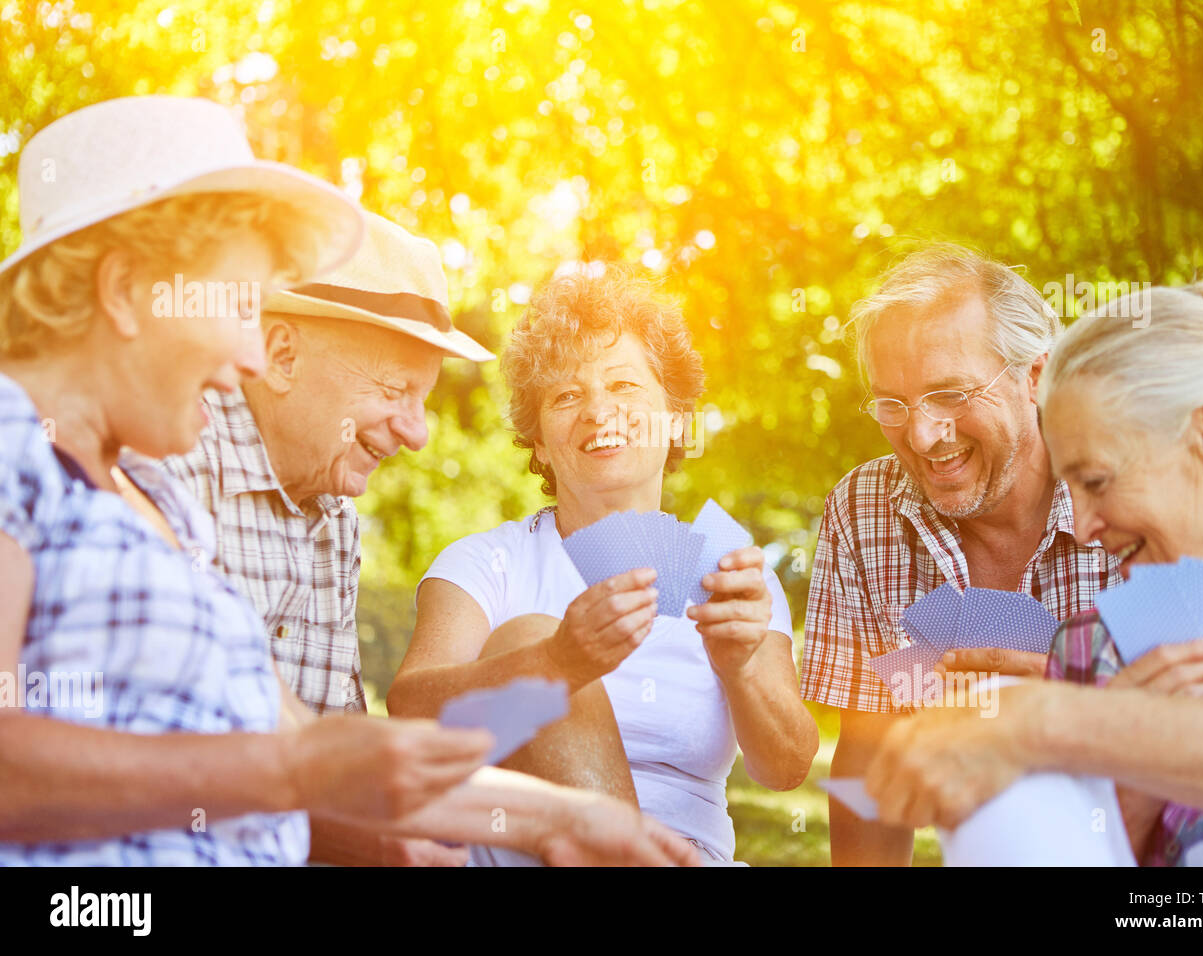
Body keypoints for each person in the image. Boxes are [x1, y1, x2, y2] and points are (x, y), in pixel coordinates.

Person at [0, 96, 696, 867]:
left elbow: (318, 747)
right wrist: (287, 773)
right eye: (238, 304)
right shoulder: (14, 447)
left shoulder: (156, 503)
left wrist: (558, 820)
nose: (248, 358)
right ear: (126, 290)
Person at [387, 265, 819, 864]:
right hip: (523, 851)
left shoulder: (731, 575)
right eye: (566, 396)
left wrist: (740, 667)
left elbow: (787, 767)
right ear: (538, 441)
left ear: (675, 420)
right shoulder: (487, 562)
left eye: (623, 386)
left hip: (686, 853)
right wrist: (554, 661)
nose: (597, 411)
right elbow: (409, 711)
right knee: (528, 636)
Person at [864, 281, 1203, 866]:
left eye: (1096, 481)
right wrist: (1126, 794)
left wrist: (1050, 721)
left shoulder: (1065, 708)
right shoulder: (1095, 650)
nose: (1087, 526)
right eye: (1070, 487)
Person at [163, 210, 493, 864]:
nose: (417, 432)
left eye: (422, 399)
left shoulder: (335, 514)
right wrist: (373, 841)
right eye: (397, 390)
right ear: (282, 356)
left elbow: (338, 734)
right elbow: (176, 754)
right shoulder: (172, 466)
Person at [801, 243, 1120, 865]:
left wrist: (1080, 694)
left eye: (951, 394)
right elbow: (870, 746)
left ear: (1035, 375)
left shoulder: (1126, 487)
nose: (921, 437)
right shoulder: (864, 512)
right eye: (893, 403)